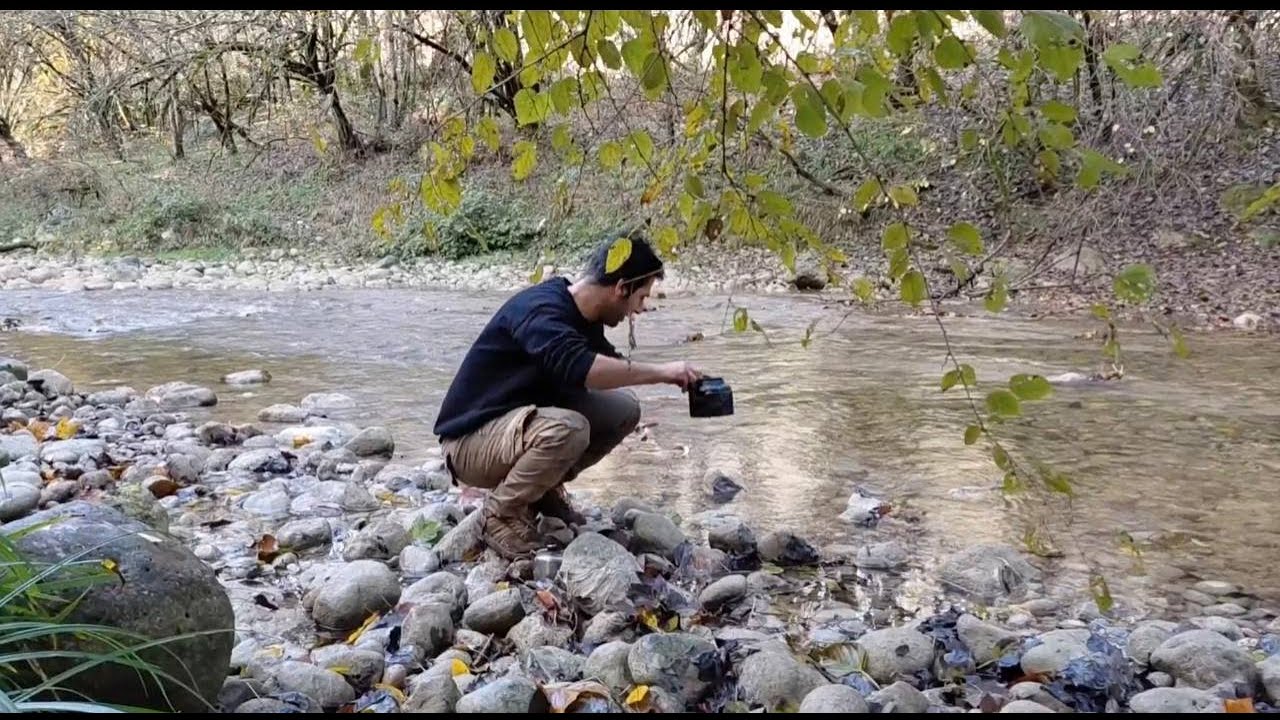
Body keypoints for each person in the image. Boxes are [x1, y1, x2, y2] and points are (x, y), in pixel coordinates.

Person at [432, 232, 702, 559]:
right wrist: (663, 372)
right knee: (571, 427)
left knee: (625, 409)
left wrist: (681, 378)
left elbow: (609, 367)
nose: (641, 309)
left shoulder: (585, 319)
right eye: (641, 297)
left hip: (510, 431)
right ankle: (499, 514)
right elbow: (584, 369)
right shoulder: (541, 310)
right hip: (468, 444)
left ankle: (540, 491)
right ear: (621, 288)